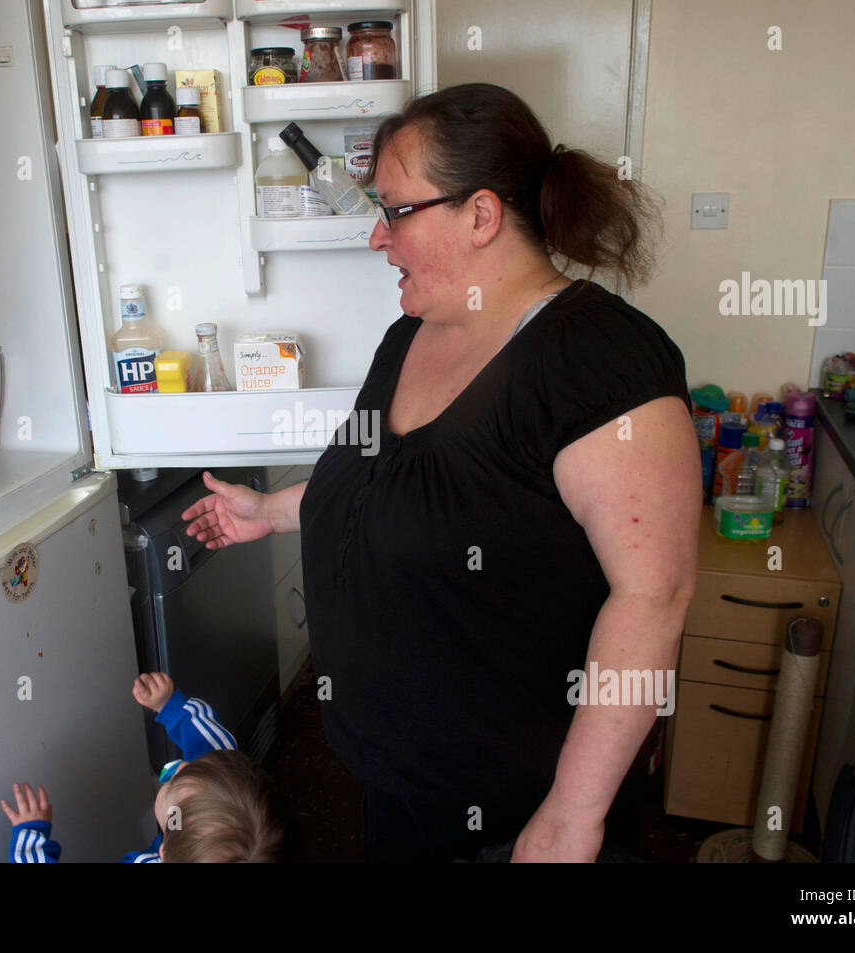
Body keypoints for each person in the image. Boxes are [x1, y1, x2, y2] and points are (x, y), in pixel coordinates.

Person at [182, 83, 700, 863]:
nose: (377, 238)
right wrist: (275, 509)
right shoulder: (408, 337)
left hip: (517, 818)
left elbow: (655, 593)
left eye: (394, 211)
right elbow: (366, 479)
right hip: (396, 786)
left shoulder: (596, 361)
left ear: (481, 215)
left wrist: (572, 815)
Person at [1, 672, 288, 862]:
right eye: (189, 768)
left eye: (171, 783)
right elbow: (215, 751)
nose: (176, 768)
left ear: (164, 852)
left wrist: (32, 836)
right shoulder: (227, 785)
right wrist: (170, 705)